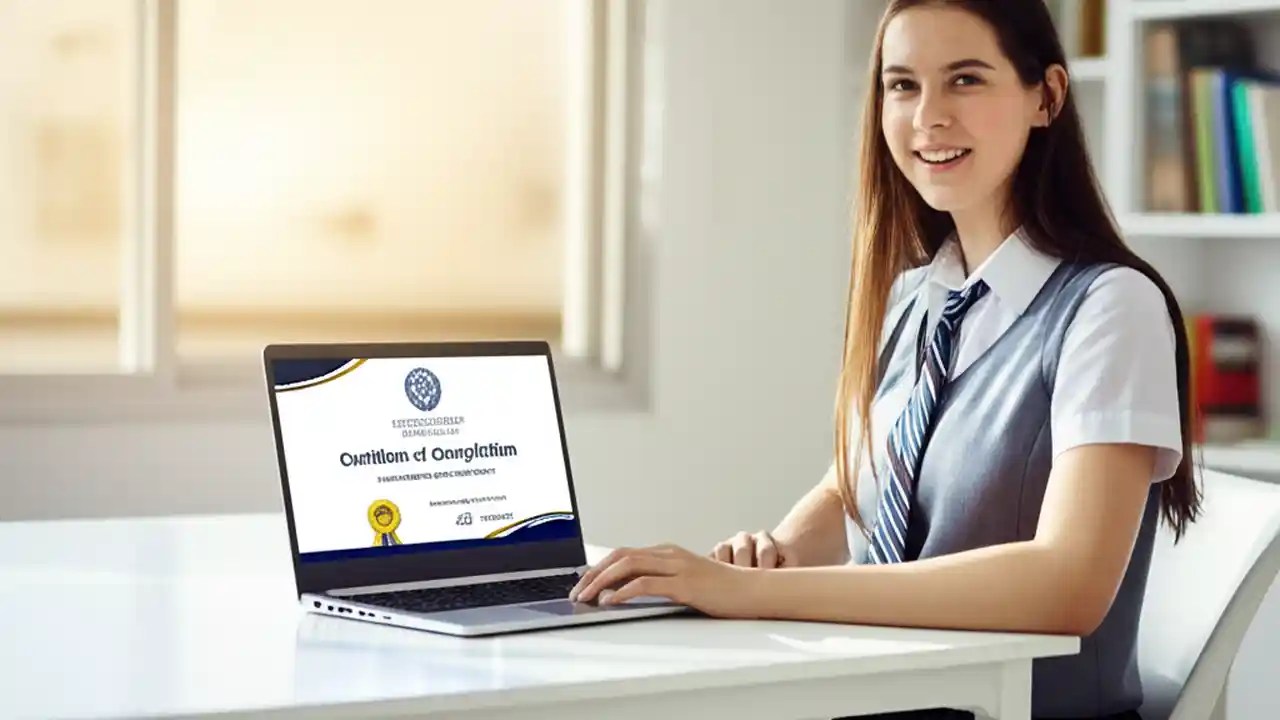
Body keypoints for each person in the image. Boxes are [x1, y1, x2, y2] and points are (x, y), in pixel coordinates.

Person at [568, 1, 1201, 718]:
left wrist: (758, 594)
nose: (928, 116)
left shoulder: (1111, 308)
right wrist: (775, 551)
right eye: (902, 85)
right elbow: (854, 489)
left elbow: (1069, 586)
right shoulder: (913, 298)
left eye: (965, 79)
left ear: (1046, 97)